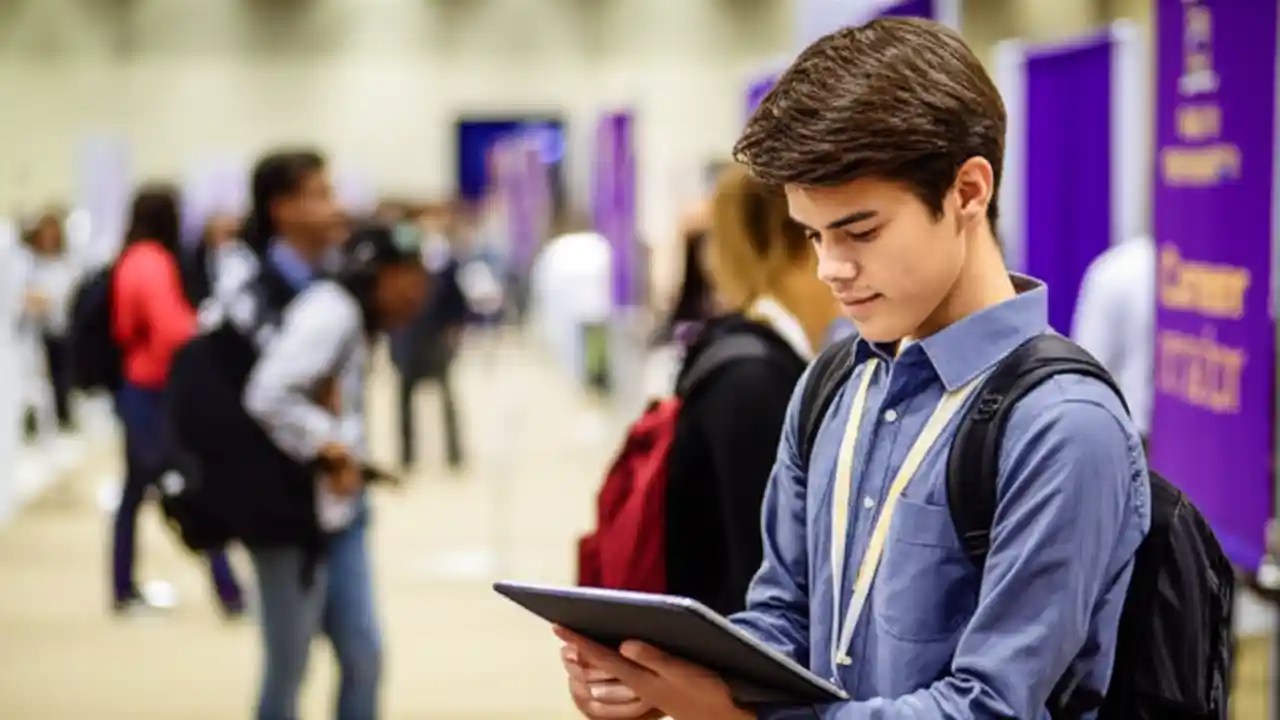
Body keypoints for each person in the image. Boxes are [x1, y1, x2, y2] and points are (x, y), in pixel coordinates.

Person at [555, 18, 1150, 720]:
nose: (829, 268)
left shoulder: (1061, 427)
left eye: (860, 231)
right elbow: (782, 616)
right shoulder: (834, 382)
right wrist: (660, 674)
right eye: (812, 234)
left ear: (967, 191)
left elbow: (992, 707)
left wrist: (740, 714)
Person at [244, 223, 427, 720]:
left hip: (340, 513)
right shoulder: (330, 313)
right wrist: (331, 449)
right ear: (373, 275)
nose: (417, 291)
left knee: (363, 655)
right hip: (289, 515)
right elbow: (267, 393)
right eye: (404, 276)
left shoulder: (357, 320)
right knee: (288, 667)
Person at [663, 164, 839, 617]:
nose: (849, 264)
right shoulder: (753, 382)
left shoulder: (749, 356)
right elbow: (763, 579)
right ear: (793, 244)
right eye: (835, 235)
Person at [110, 185, 243, 616]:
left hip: (139, 386)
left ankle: (123, 586)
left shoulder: (130, 259)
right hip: (155, 390)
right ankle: (229, 590)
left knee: (136, 493)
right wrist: (208, 331)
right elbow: (170, 331)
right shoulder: (152, 262)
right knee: (188, 486)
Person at [391, 205, 469, 471]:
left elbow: (457, 302)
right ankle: (407, 458)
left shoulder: (444, 262)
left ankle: (455, 456)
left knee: (446, 401)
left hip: (435, 340)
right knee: (404, 403)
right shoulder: (400, 263)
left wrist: (453, 333)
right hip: (408, 340)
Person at [1071, 234, 1155, 440]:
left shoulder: (1117, 268)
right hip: (1138, 436)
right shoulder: (1119, 270)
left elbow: (1083, 377)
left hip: (1136, 434)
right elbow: (1086, 370)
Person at [20, 213, 80, 431]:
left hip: (63, 328)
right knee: (38, 381)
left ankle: (65, 419)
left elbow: (71, 293)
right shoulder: (30, 264)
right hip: (37, 330)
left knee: (63, 377)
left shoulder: (66, 263)